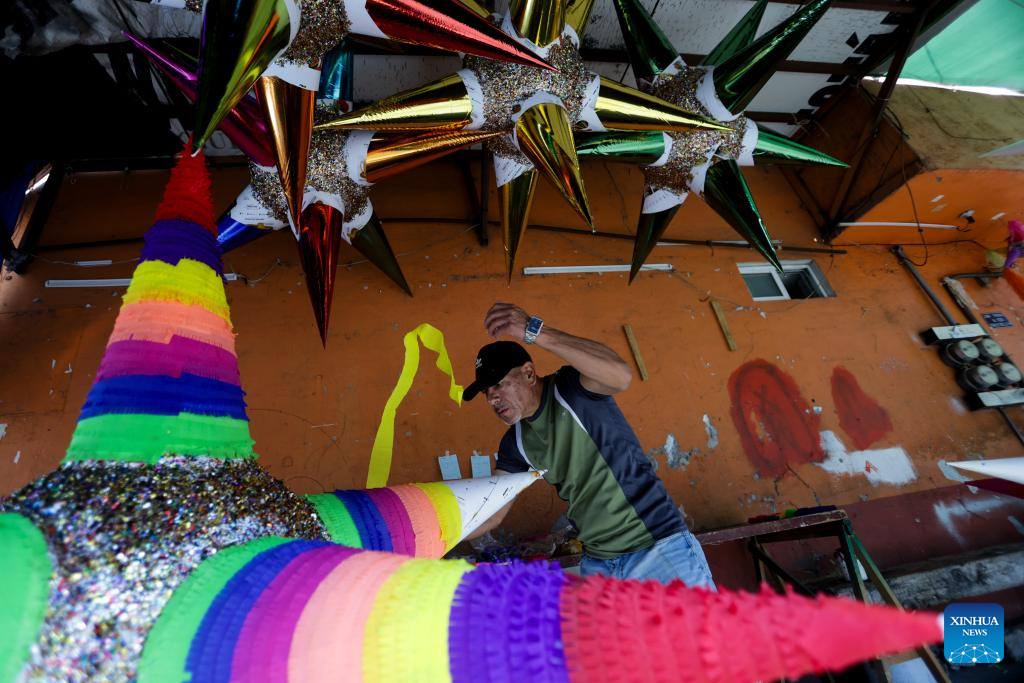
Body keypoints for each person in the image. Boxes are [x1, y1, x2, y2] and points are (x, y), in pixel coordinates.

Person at [463, 302, 715, 588]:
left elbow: (620, 376)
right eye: (486, 392)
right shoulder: (516, 443)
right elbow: (491, 510)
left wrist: (534, 331)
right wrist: (427, 539)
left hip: (657, 548)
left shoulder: (572, 389)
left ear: (529, 374)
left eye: (497, 385)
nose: (492, 399)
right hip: (600, 564)